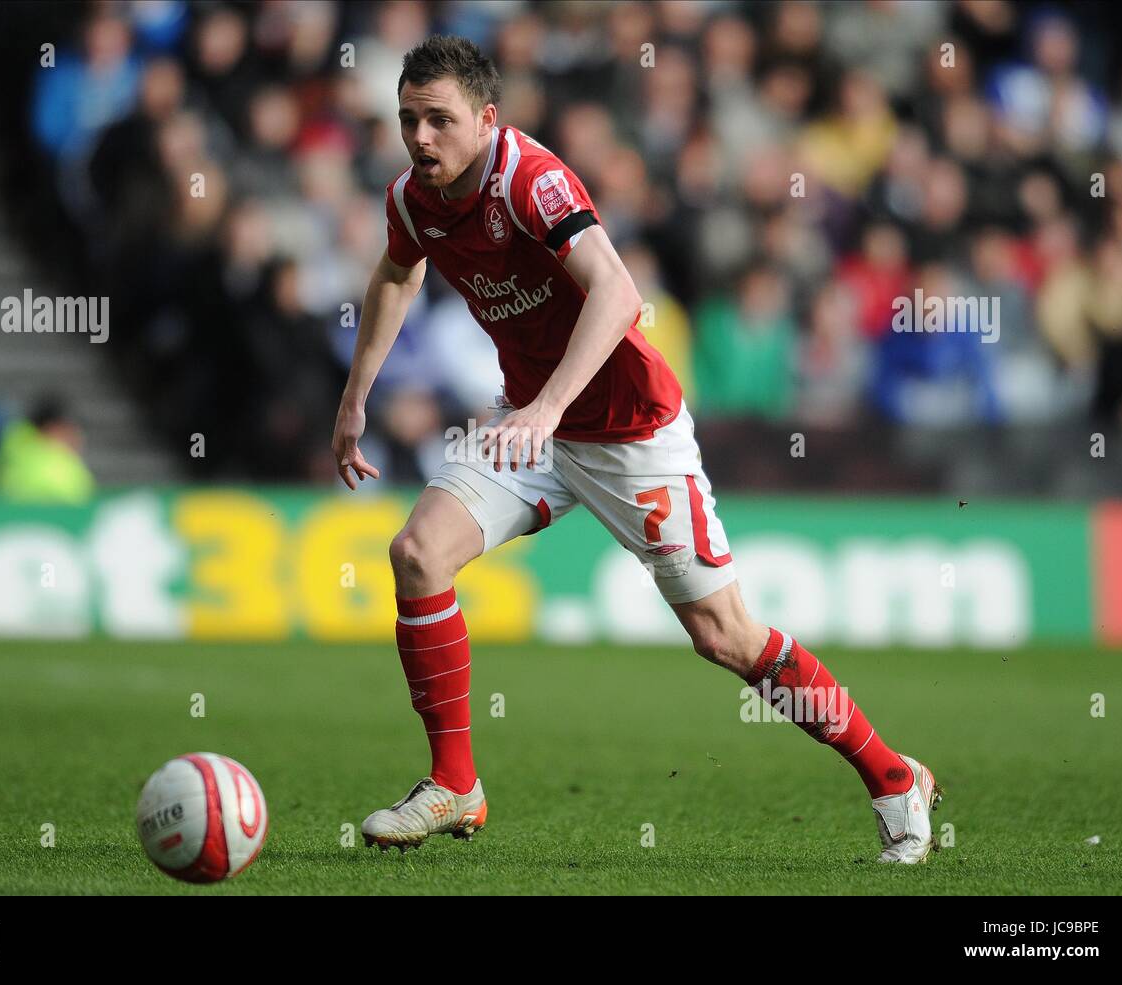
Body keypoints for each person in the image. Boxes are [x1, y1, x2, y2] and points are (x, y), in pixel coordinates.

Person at [330, 36, 942, 863]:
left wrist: (548, 406)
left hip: (627, 431)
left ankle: (895, 777)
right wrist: (356, 396)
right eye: (409, 120)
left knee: (725, 635)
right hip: (533, 427)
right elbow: (396, 278)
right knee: (416, 553)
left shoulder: (531, 181)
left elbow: (620, 292)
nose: (420, 137)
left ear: (487, 119)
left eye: (439, 120)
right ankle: (454, 783)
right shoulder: (414, 198)